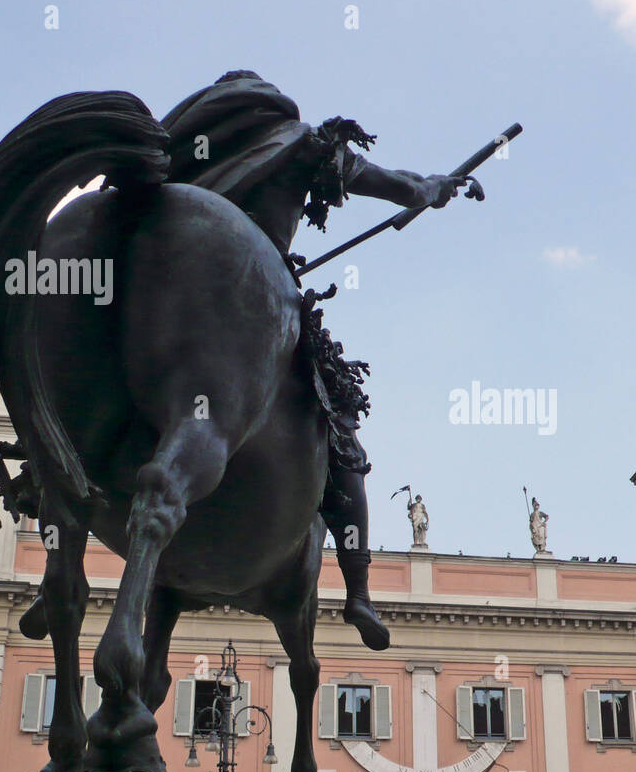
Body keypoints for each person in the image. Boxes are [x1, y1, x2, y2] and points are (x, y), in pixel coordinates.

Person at [159, 71, 474, 650]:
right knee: (342, 436)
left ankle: (52, 530)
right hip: (255, 306)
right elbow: (396, 184)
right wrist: (432, 187)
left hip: (170, 304)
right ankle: (357, 590)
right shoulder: (298, 141)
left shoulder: (180, 171)